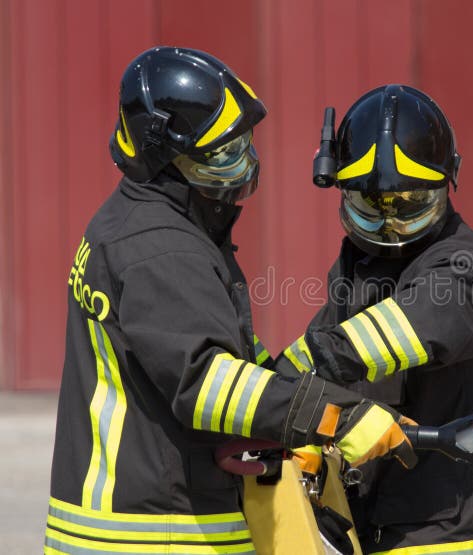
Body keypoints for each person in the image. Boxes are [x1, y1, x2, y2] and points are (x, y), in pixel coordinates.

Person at [45, 48, 416, 555]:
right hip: (155, 532)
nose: (243, 164)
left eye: (242, 145)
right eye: (222, 155)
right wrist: (336, 416)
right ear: (167, 158)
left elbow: (200, 347)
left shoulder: (133, 221)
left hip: (130, 518)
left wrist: (284, 416)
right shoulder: (161, 249)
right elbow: (204, 381)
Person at [275, 84, 473, 555]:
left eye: (410, 206)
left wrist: (286, 379)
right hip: (377, 516)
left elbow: (402, 330)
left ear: (445, 184)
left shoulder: (463, 265)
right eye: (370, 208)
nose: (390, 226)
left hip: (444, 530)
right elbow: (329, 345)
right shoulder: (361, 261)